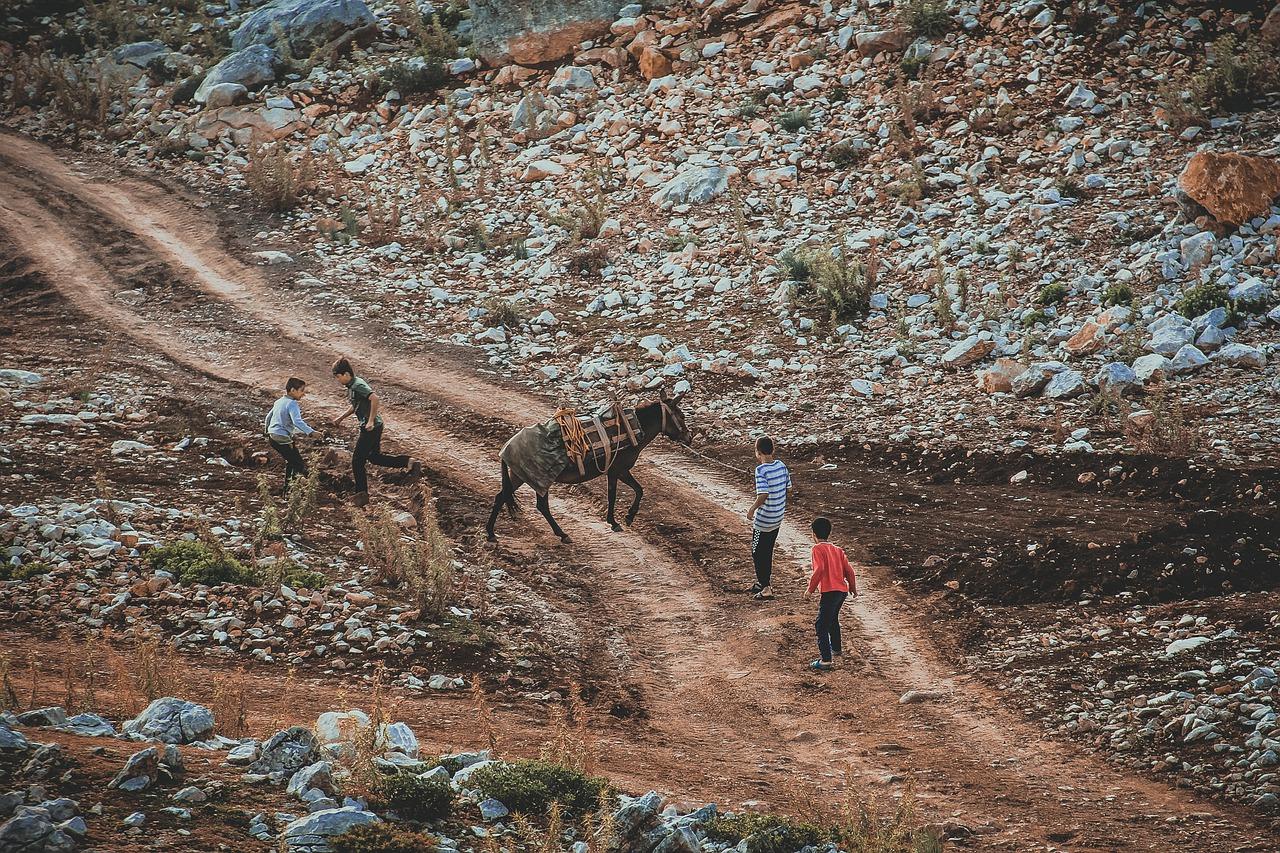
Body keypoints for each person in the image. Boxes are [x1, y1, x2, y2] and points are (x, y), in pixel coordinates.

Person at [331, 357, 420, 507]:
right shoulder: (352, 386)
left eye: (338, 377)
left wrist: (371, 420)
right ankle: (408, 462)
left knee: (357, 460)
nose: (338, 380)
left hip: (371, 427)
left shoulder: (358, 385)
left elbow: (375, 398)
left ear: (346, 374)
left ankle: (361, 495)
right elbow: (356, 406)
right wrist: (341, 418)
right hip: (372, 426)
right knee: (374, 457)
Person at [805, 516, 858, 671]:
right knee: (833, 619)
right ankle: (836, 648)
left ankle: (826, 660)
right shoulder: (838, 550)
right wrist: (852, 588)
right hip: (841, 591)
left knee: (821, 625)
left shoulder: (817, 549)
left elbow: (819, 570)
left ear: (813, 534)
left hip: (830, 592)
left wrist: (810, 589)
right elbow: (849, 571)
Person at [746, 435, 791, 600]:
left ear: (758, 452)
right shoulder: (781, 465)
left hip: (763, 521)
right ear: (773, 450)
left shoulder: (761, 470)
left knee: (756, 551)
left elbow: (763, 494)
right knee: (767, 551)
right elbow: (788, 488)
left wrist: (752, 509)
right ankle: (763, 581)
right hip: (777, 517)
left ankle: (766, 587)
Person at [265, 377, 315, 489]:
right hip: (283, 438)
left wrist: (267, 431)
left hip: (273, 437)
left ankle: (287, 490)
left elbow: (268, 417)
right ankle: (293, 490)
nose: (303, 394)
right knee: (298, 464)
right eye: (301, 391)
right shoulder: (292, 404)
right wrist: (311, 432)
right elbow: (297, 421)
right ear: (293, 390)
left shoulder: (278, 402)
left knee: (291, 461)